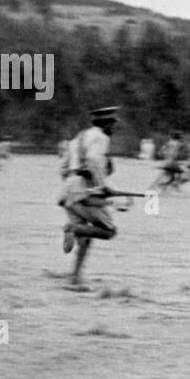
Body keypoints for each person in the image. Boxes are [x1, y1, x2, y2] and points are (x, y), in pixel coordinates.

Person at [59, 106, 121, 289]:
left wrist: (73, 182)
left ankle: (75, 278)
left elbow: (63, 167)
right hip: (85, 194)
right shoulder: (101, 138)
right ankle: (72, 229)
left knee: (85, 238)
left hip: (68, 192)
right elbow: (93, 160)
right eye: (112, 124)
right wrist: (102, 186)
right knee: (109, 231)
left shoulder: (79, 138)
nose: (113, 128)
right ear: (106, 124)